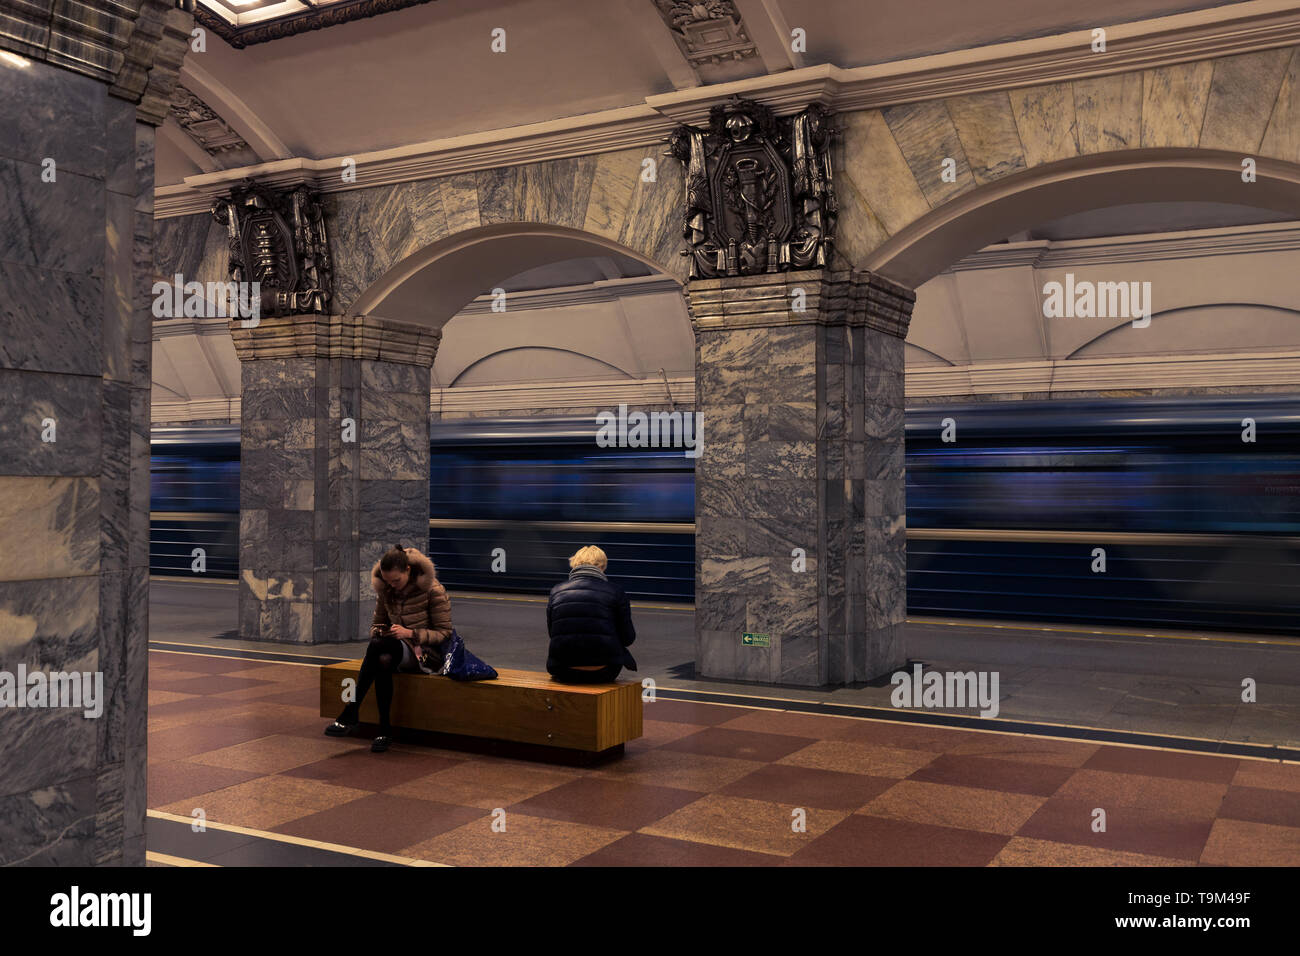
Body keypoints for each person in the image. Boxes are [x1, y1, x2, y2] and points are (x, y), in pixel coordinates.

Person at [325, 544, 452, 752]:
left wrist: (410, 634)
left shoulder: (432, 590)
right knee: (382, 657)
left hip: (427, 656)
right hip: (393, 650)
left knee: (382, 651)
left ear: (408, 571)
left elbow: (444, 633)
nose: (392, 585)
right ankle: (384, 729)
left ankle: (352, 709)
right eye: (387, 581)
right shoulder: (386, 590)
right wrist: (379, 631)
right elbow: (377, 624)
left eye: (396, 581)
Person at [545, 545, 636, 684]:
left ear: (574, 563)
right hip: (605, 671)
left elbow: (553, 633)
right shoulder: (616, 592)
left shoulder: (556, 591)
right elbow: (628, 638)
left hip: (564, 670)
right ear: (603, 566)